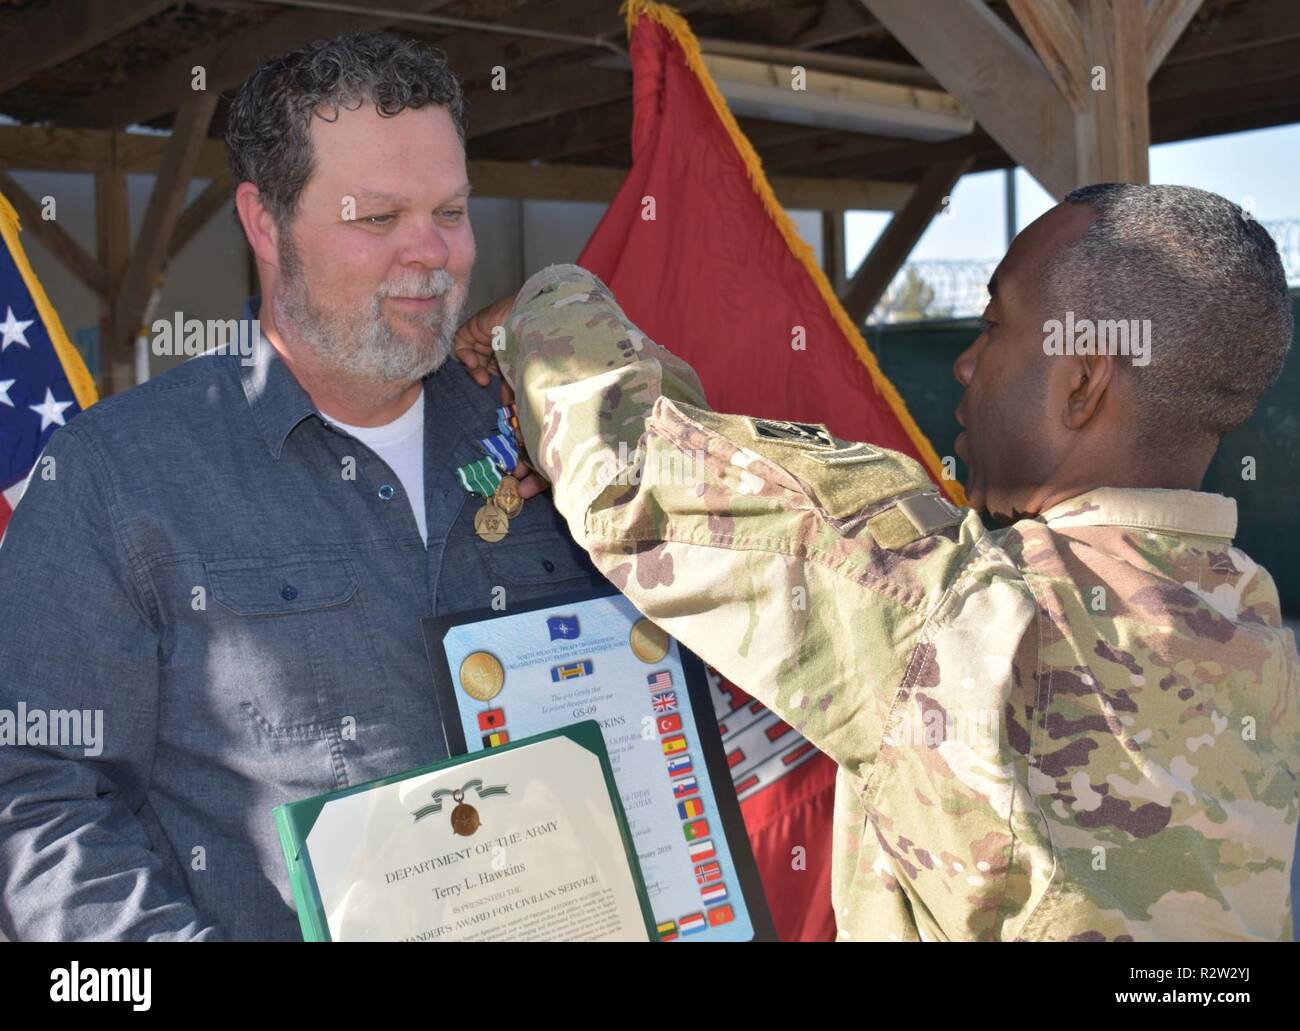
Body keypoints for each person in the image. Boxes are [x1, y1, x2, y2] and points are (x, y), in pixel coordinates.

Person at [455, 183, 1300, 941]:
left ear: (1082, 384)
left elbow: (635, 471)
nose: (967, 362)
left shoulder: (971, 610)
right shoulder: (1256, 627)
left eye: (995, 324)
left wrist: (543, 303)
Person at [0, 32, 602, 941]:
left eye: (450, 210)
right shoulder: (113, 482)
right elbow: (39, 807)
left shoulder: (543, 428)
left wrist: (597, 381)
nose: (431, 254)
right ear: (263, 223)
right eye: (377, 218)